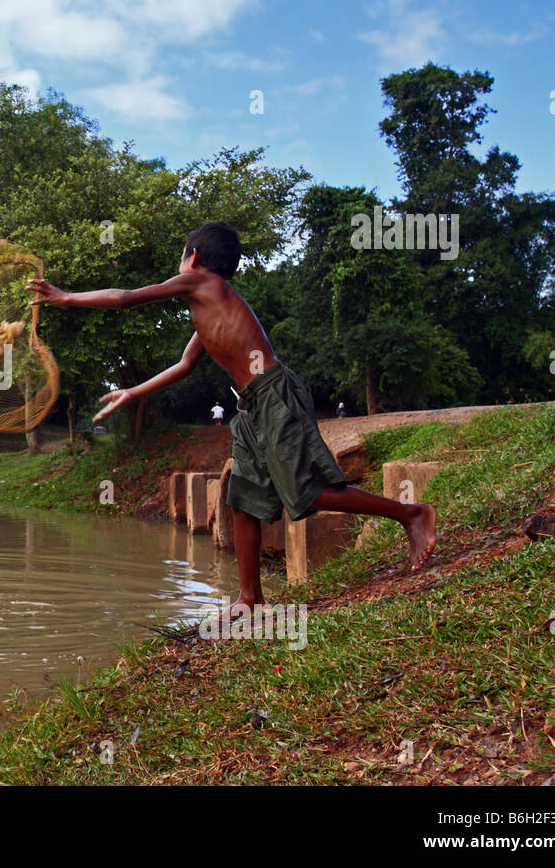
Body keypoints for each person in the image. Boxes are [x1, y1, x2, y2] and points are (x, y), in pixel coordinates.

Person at [26, 221, 436, 620]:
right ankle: (249, 597)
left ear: (195, 256)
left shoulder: (202, 283)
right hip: (252, 406)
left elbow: (126, 297)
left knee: (308, 494)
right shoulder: (209, 307)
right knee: (242, 499)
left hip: (275, 395)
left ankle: (411, 514)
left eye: (181, 255)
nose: (179, 264)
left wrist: (66, 298)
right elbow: (185, 365)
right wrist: (134, 391)